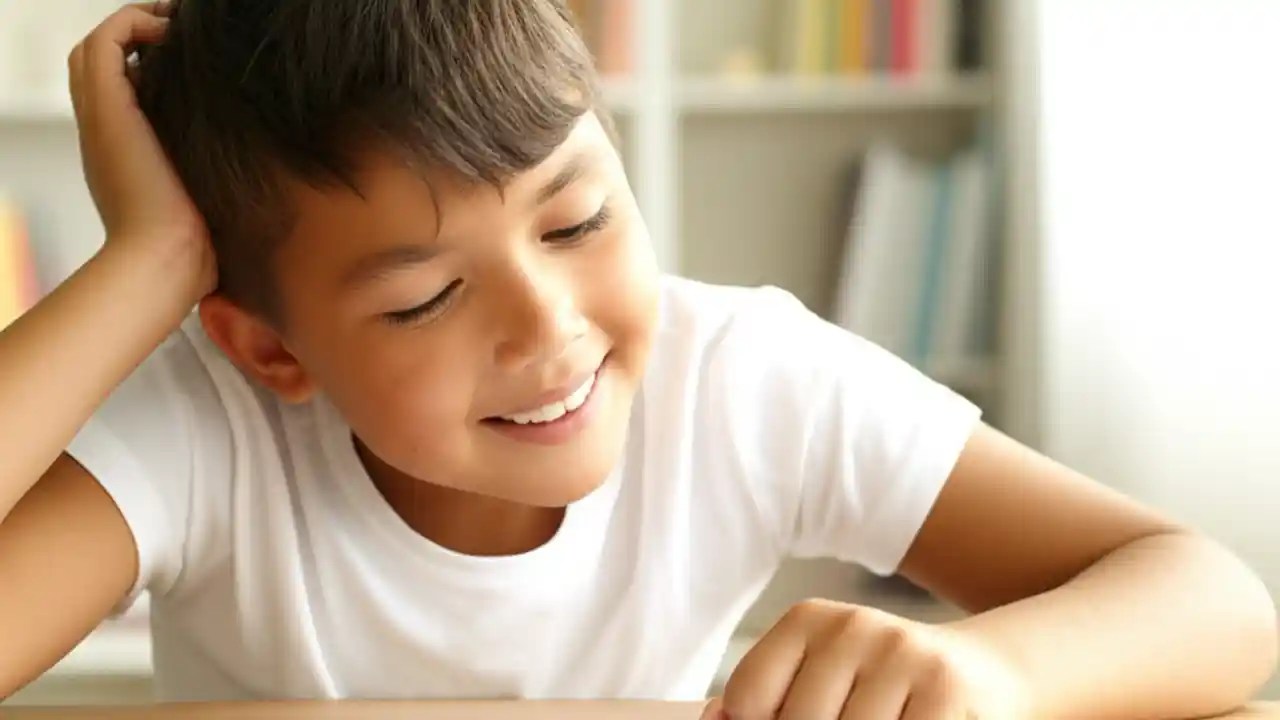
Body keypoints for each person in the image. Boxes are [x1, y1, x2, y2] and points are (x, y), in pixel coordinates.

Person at [0, 1, 1274, 717]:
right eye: (428, 297)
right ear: (271, 348)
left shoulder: (745, 382)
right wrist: (146, 267)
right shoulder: (212, 425)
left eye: (576, 219)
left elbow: (1214, 603)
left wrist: (999, 671)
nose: (549, 326)